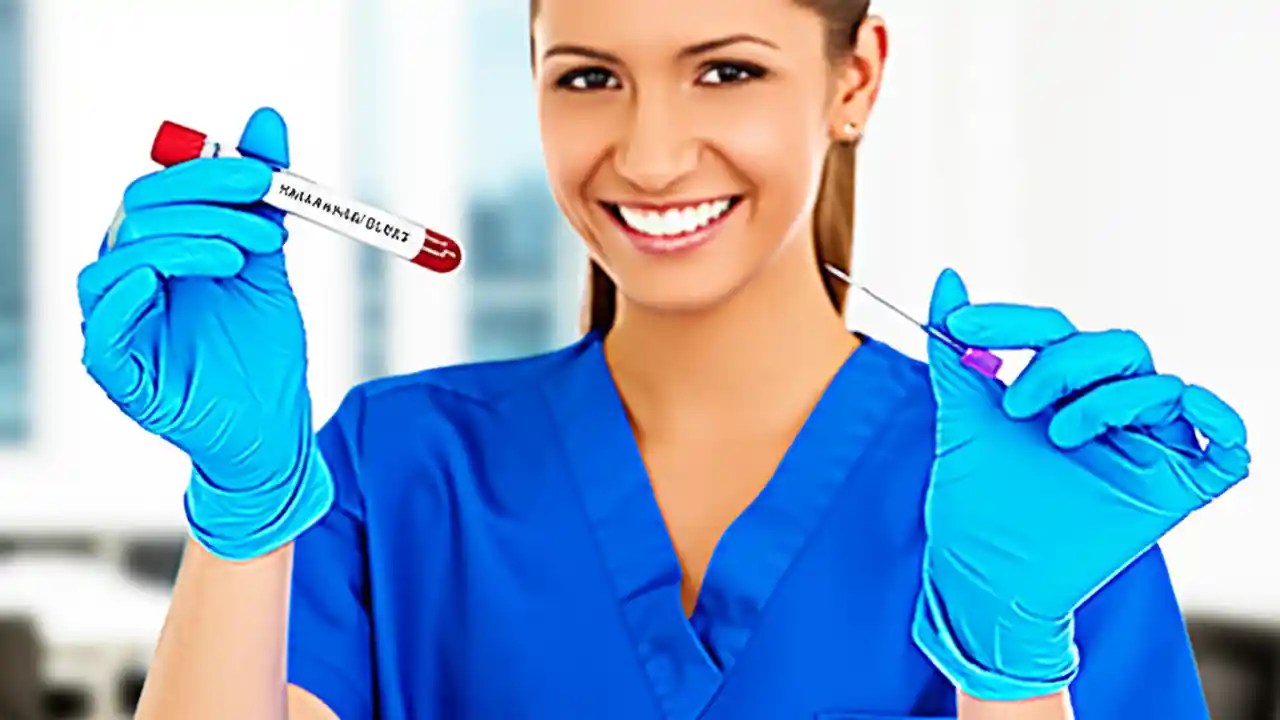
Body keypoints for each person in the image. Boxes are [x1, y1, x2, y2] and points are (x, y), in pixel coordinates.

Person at [76, 1, 1252, 718]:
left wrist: (1006, 673)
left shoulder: (1038, 503)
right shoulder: (392, 469)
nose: (645, 154)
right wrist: (240, 512)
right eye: (588, 76)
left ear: (855, 79)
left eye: (725, 69)